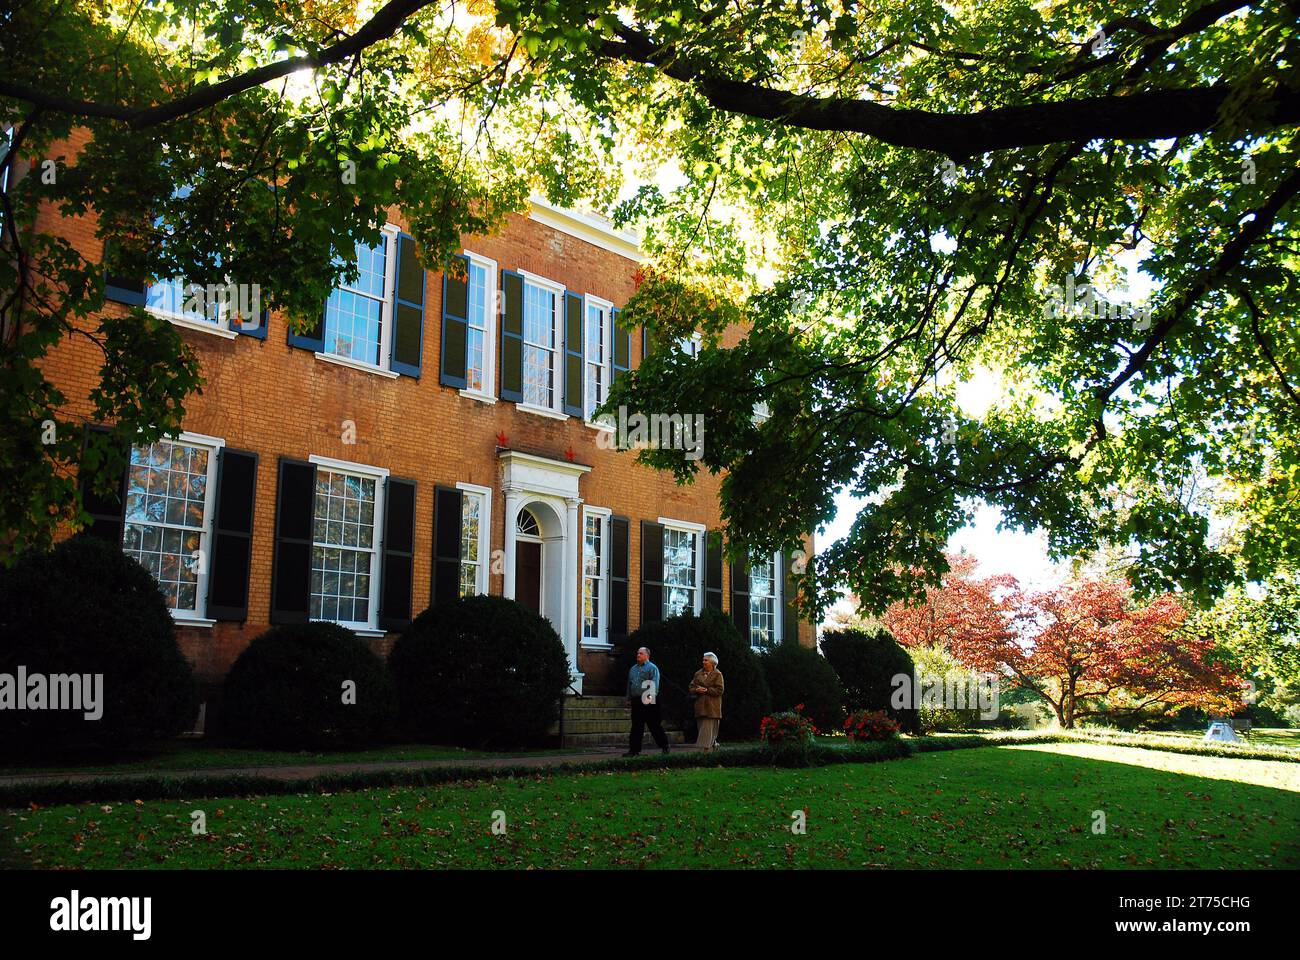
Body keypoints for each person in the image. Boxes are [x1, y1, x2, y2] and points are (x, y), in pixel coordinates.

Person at [625, 646, 670, 756]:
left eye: (640, 653)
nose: (638, 655)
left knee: (654, 725)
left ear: (647, 655)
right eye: (637, 653)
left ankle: (664, 746)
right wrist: (628, 698)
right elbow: (629, 685)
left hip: (648, 698)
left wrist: (649, 699)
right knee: (636, 726)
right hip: (636, 699)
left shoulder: (652, 668)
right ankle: (634, 750)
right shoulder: (633, 669)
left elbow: (654, 684)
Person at [690, 652, 724, 750]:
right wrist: (696, 690)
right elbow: (691, 687)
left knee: (706, 732)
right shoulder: (698, 674)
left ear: (712, 663)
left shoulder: (718, 674)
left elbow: (720, 690)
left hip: (712, 708)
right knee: (703, 730)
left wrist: (707, 690)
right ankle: (713, 746)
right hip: (700, 707)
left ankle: (704, 753)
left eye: (706, 660)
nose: (703, 662)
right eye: (703, 660)